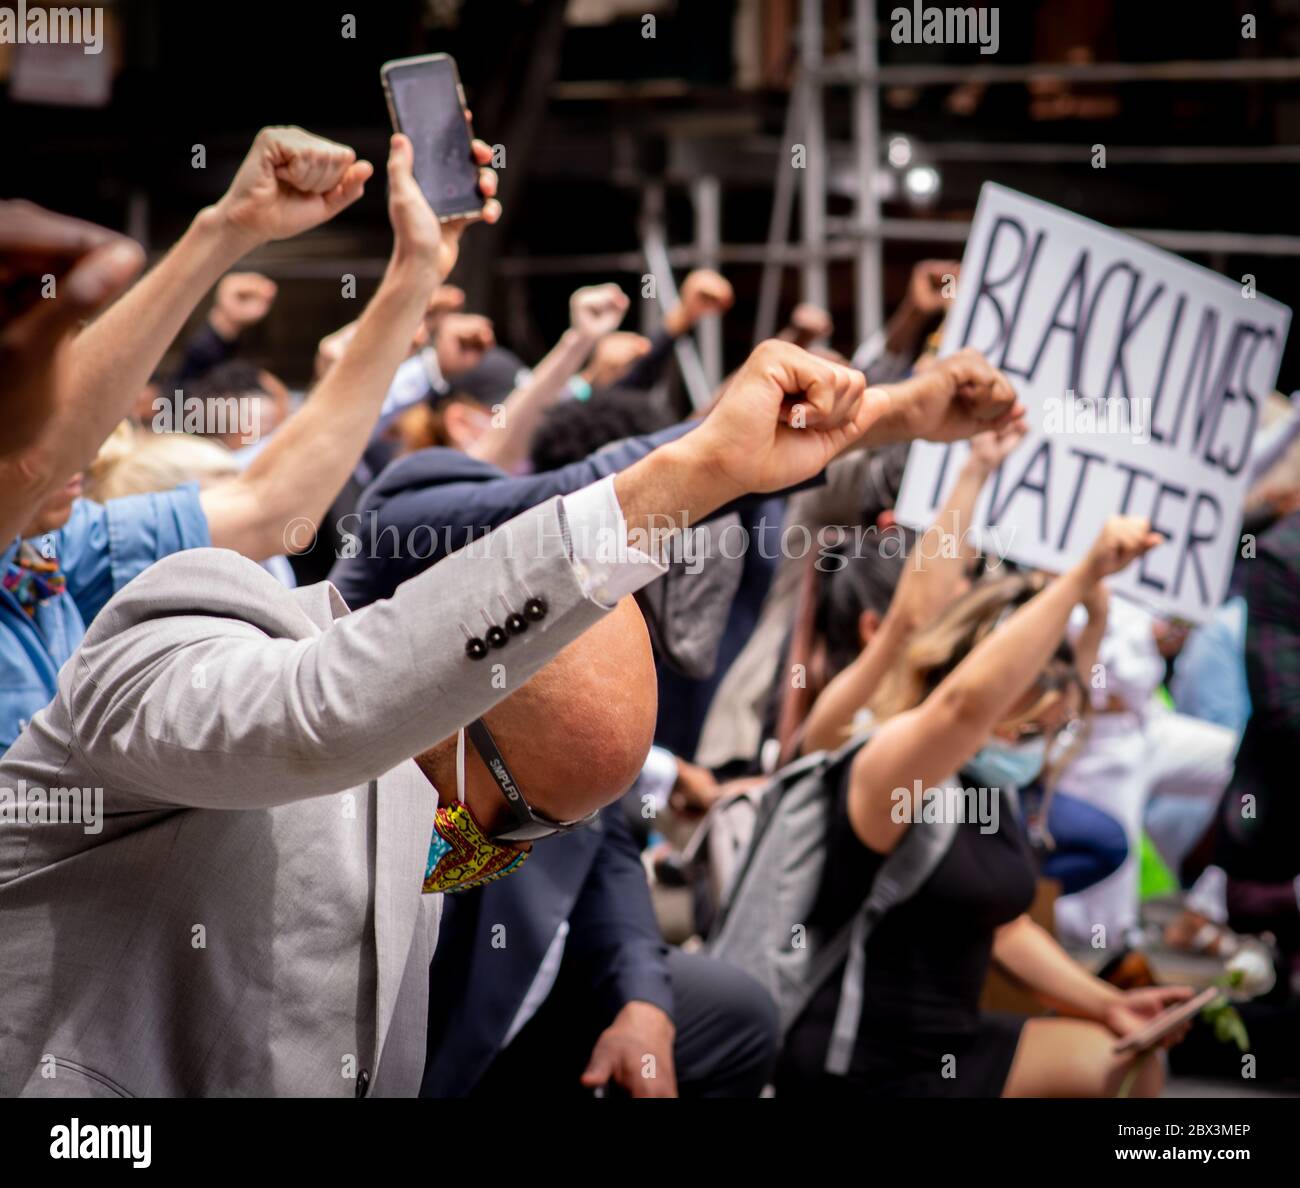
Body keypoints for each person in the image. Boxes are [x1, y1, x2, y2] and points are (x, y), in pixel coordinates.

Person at [0, 337, 983, 1098]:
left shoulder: (429, 813)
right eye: (519, 821)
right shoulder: (181, 639)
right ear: (447, 707)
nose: (509, 856)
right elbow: (322, 712)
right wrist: (696, 475)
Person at [0, 128, 499, 751]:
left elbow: (271, 505)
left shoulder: (53, 553)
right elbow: (38, 458)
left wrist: (415, 267)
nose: (91, 445)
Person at [775, 517, 1195, 1098]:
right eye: (1024, 726)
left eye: (1043, 731)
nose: (1031, 744)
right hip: (861, 1064)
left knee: (1128, 1062)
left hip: (955, 1044)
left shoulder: (989, 784)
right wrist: (1079, 578)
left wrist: (1113, 1005)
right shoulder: (886, 767)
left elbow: (1003, 930)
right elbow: (961, 703)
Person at [421, 803, 778, 1098]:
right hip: (442, 997)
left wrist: (642, 1001)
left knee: (737, 1017)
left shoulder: (581, 766)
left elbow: (609, 852)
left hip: (537, 988)